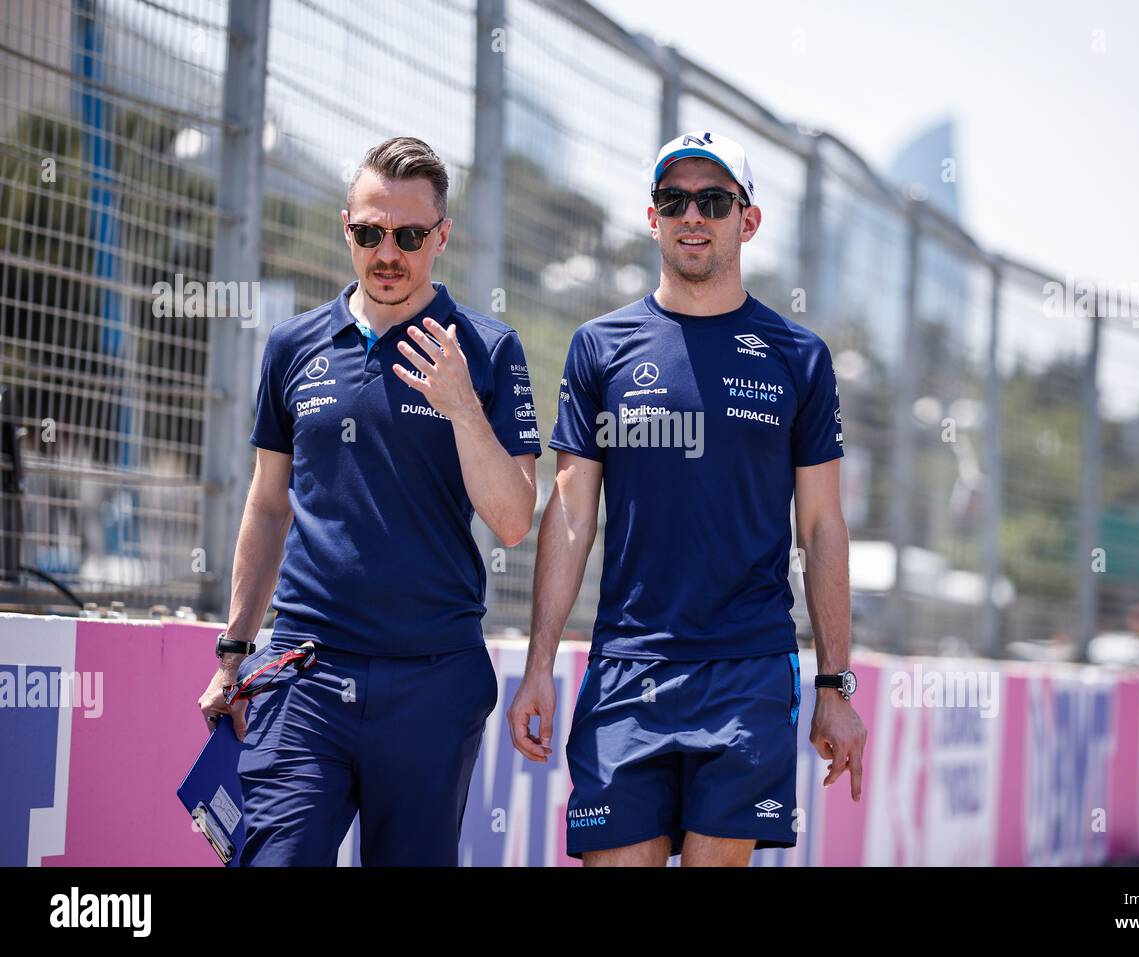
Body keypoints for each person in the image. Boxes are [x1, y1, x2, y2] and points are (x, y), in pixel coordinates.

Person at [508, 131, 867, 866]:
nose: (693, 216)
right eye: (675, 201)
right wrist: (540, 660)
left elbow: (823, 527)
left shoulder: (798, 356)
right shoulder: (598, 347)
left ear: (749, 218)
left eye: (713, 200)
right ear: (653, 217)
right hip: (627, 668)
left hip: (748, 668)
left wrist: (835, 681)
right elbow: (573, 510)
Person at [196, 136, 541, 866]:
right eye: (370, 232)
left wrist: (461, 408)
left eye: (410, 235)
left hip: (433, 680)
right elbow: (266, 505)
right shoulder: (292, 346)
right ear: (344, 226)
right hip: (304, 672)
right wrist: (233, 652)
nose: (389, 252)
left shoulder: (487, 348)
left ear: (441, 237)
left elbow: (513, 519)